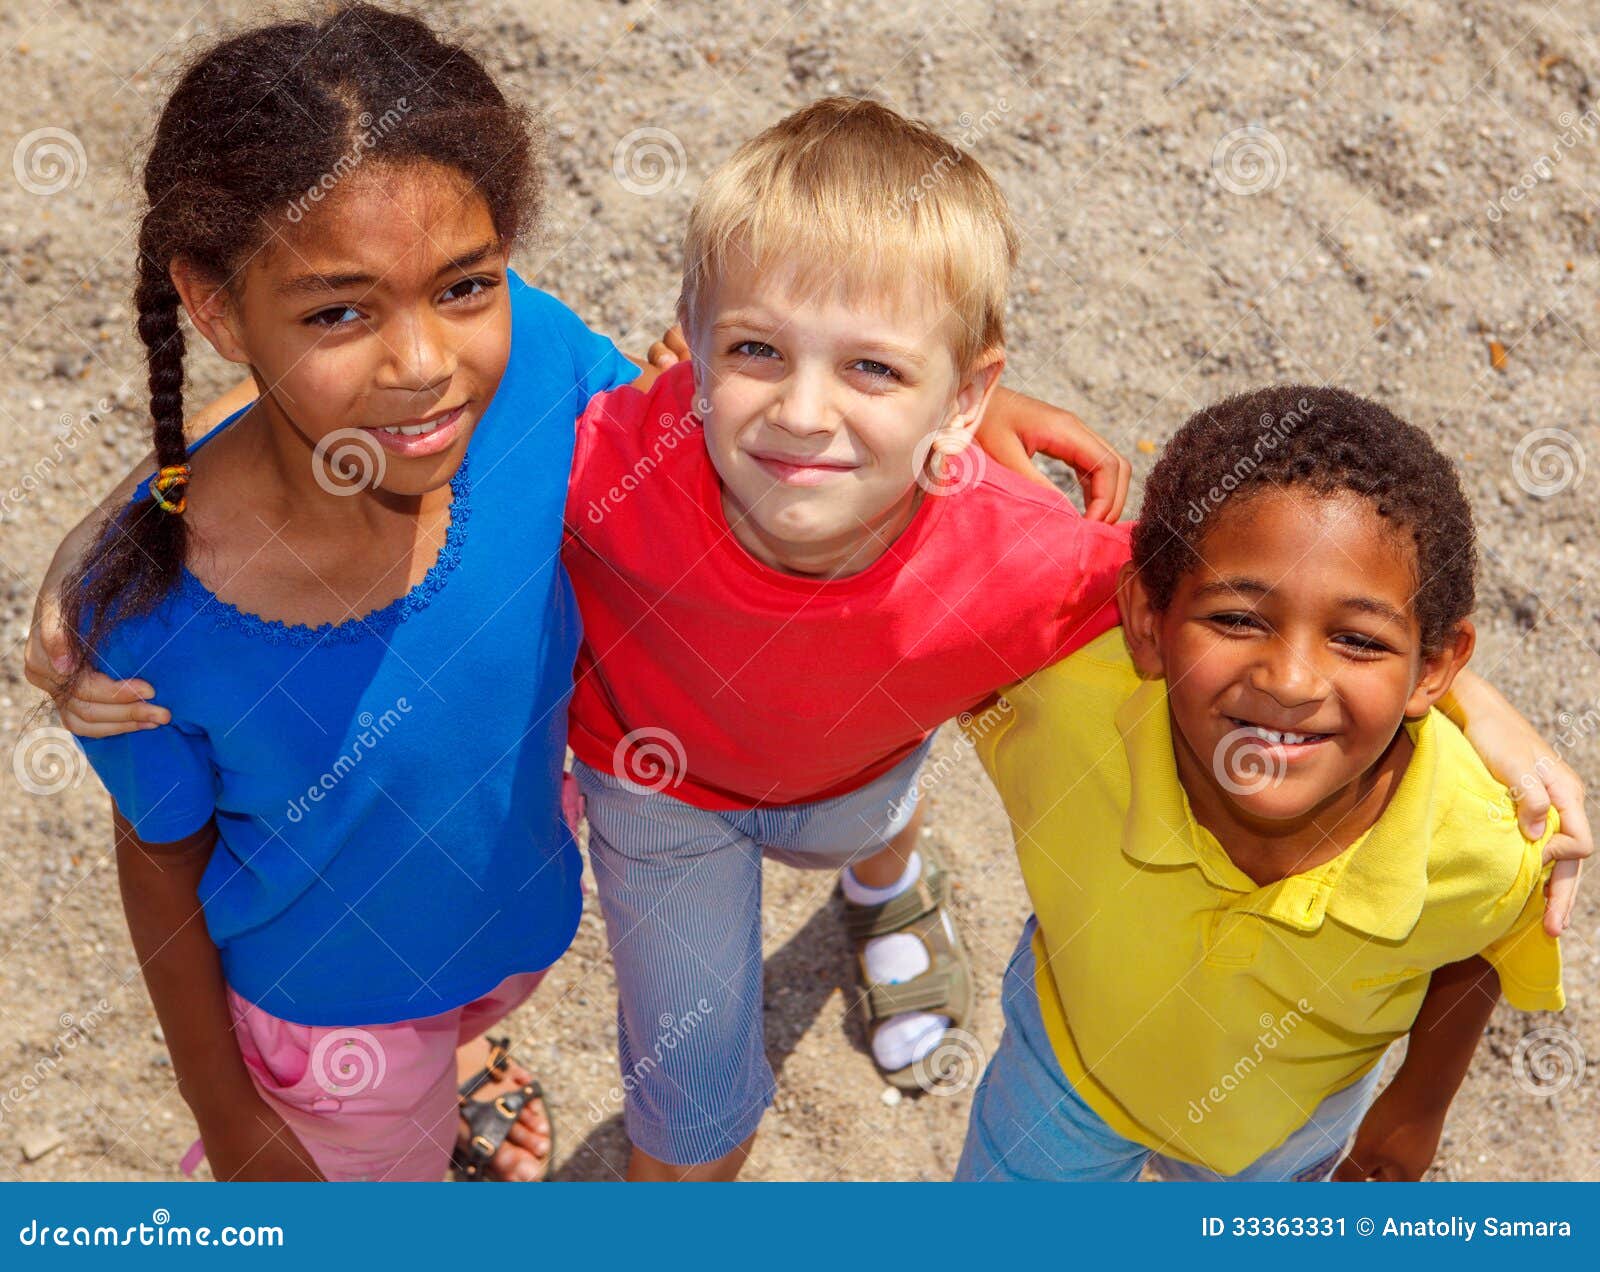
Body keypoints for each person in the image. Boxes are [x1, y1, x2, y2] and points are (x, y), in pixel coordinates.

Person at [556, 98, 1586, 1182]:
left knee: (866, 807)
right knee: (686, 1104)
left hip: (854, 770)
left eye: (873, 369)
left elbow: (1244, 592)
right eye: (757, 348)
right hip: (658, 788)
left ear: (966, 399)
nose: (804, 413)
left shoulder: (1027, 560)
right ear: (695, 353)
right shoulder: (597, 462)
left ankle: (888, 880)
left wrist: (1484, 710)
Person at [957, 387, 1570, 1182]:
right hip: (1066, 1072)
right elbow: (880, 530)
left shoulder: (1485, 843)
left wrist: (1414, 1111)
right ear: (1146, 622)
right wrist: (967, 411)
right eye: (1238, 619)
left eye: (1357, 639)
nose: (1289, 680)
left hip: (1281, 1131)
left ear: (1438, 668)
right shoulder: (1061, 698)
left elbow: (1481, 941)